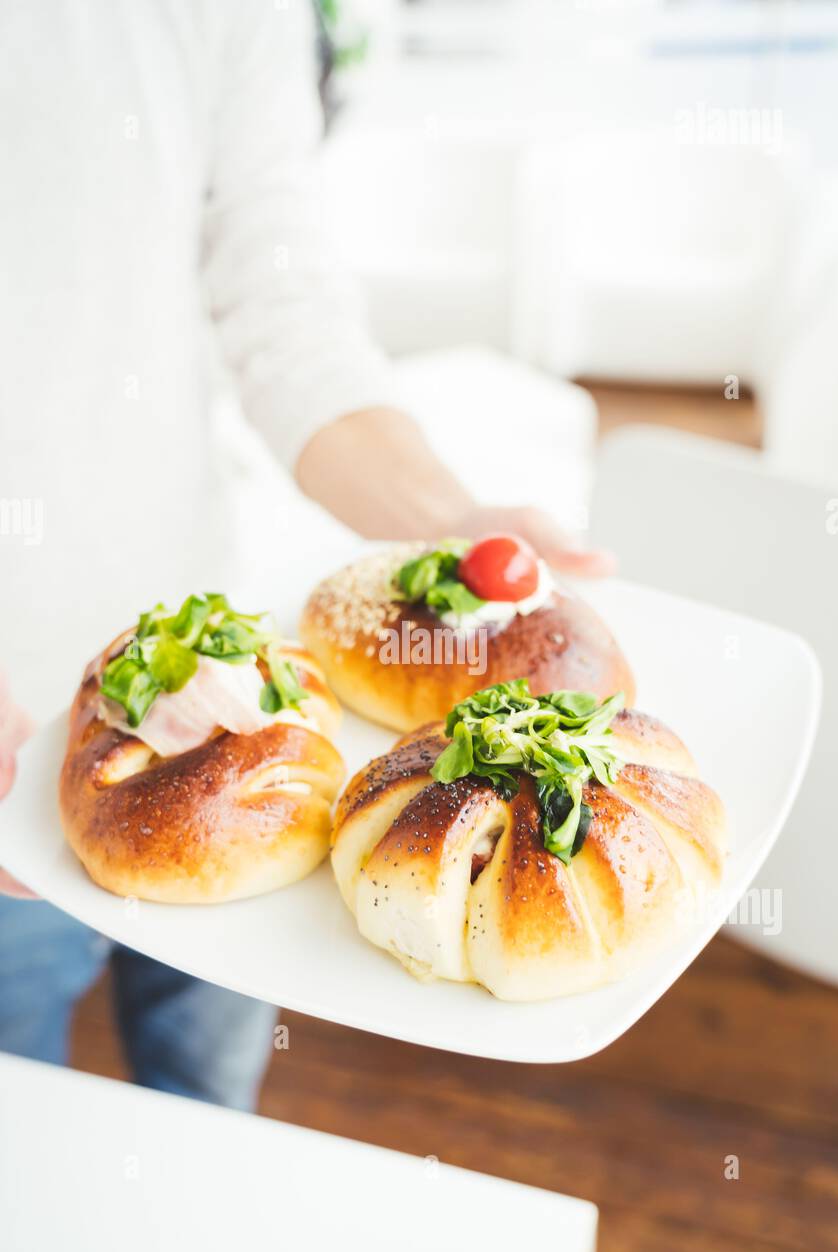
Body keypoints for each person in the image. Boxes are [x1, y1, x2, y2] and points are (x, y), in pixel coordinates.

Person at [0, 0, 610, 1109]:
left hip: (243, 716)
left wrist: (455, 528)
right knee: (22, 1123)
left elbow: (283, 311)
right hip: (18, 740)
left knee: (211, 1093)